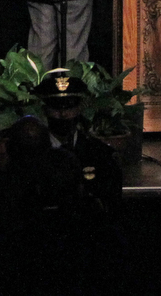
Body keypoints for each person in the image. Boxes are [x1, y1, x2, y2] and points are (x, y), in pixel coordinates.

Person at [34, 69, 123, 214]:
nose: (63, 114)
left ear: (79, 108)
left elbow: (111, 204)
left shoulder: (99, 154)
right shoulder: (33, 152)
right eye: (56, 107)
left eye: (69, 107)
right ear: (45, 110)